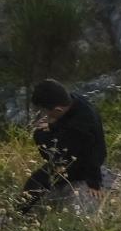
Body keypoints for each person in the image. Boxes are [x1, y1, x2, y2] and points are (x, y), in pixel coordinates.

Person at [19, 80, 106, 211]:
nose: (45, 115)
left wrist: (94, 182)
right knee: (40, 132)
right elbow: (67, 120)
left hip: (80, 163)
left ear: (58, 109)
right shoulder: (74, 100)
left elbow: (92, 151)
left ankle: (21, 211)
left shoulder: (81, 126)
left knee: (37, 181)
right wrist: (52, 125)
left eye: (46, 112)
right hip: (72, 146)